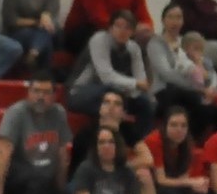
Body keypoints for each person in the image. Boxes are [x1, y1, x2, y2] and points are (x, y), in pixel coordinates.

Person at [0, 71, 73, 194]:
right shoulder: (16, 113)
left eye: (46, 92)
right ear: (28, 92)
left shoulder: (59, 113)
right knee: (37, 179)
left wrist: (61, 189)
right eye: (36, 91)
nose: (40, 97)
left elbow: (62, 156)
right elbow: (2, 154)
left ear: (55, 95)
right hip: (14, 179)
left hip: (43, 182)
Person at [66, 9, 156, 140]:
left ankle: (137, 143)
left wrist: (147, 97)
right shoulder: (99, 40)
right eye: (118, 26)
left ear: (132, 32)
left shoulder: (133, 48)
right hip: (80, 92)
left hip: (114, 93)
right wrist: (135, 84)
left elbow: (141, 81)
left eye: (127, 28)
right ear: (110, 27)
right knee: (111, 94)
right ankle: (99, 143)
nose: (122, 31)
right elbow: (106, 76)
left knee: (145, 103)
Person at [146, 3, 217, 137]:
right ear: (163, 20)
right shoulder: (156, 43)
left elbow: (205, 67)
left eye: (178, 17)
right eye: (170, 17)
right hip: (164, 92)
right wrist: (199, 89)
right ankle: (186, 140)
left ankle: (211, 147)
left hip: (188, 92)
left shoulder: (186, 42)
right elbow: (167, 74)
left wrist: (211, 86)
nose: (175, 22)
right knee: (190, 97)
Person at [143, 106, 212, 194]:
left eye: (183, 126)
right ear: (165, 126)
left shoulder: (187, 143)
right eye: (174, 125)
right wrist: (191, 182)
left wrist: (195, 185)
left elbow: (183, 176)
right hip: (148, 187)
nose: (179, 129)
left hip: (171, 185)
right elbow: (160, 179)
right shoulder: (154, 140)